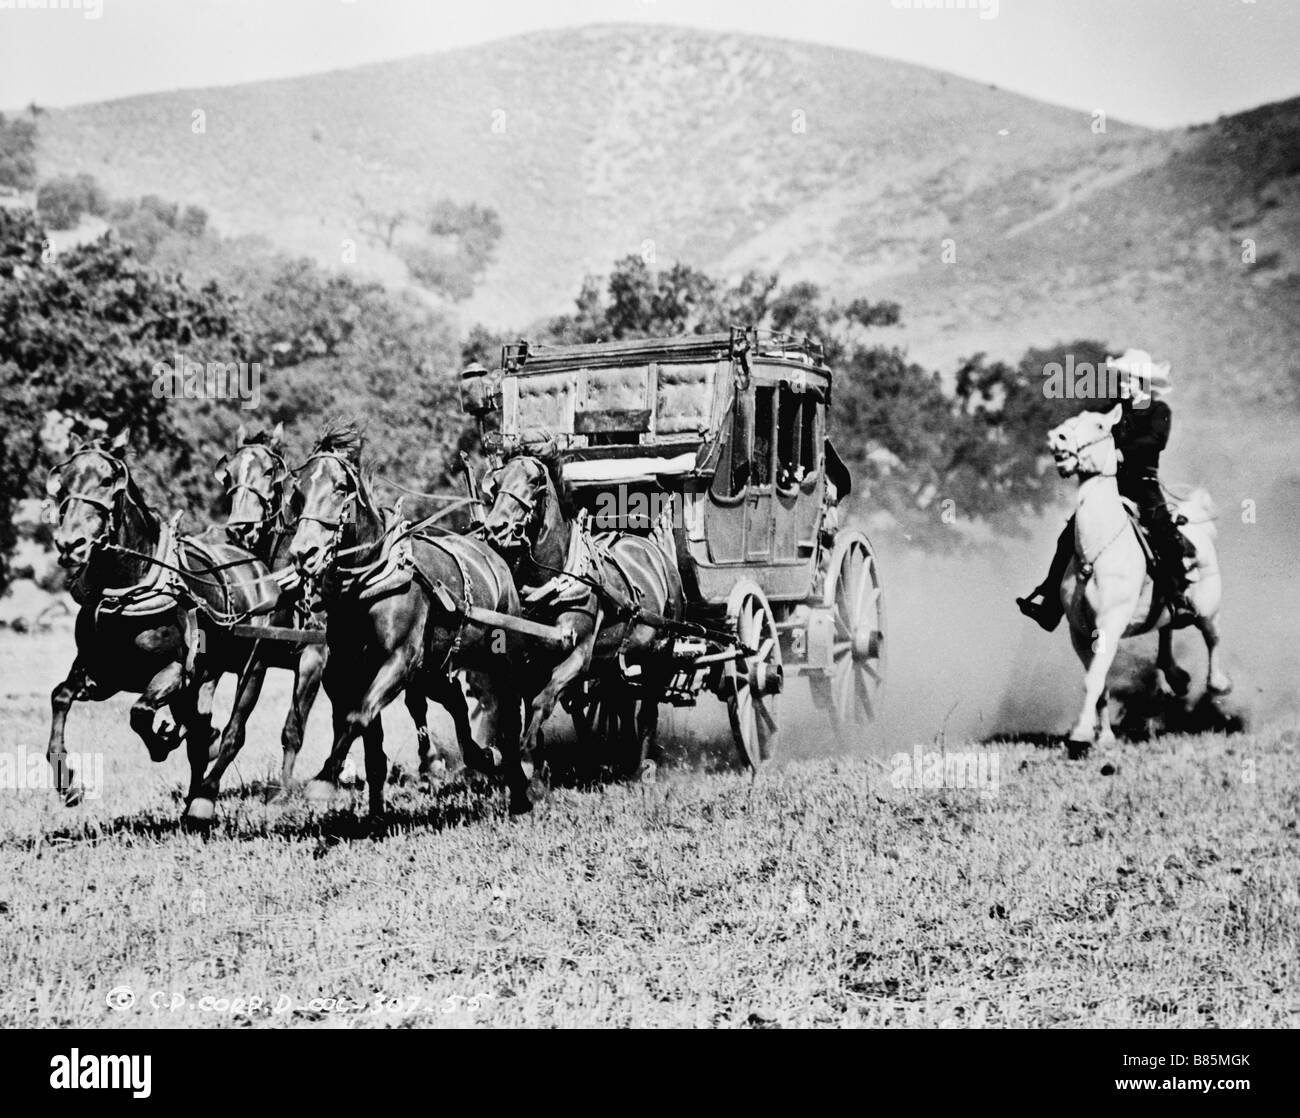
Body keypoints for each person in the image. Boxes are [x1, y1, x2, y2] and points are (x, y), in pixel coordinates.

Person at [1017, 349, 1196, 631]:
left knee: (1163, 529)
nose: (1123, 385)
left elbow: (1155, 442)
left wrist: (1121, 453)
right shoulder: (1115, 410)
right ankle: (1050, 601)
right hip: (1111, 486)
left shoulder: (1159, 411)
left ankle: (1178, 598)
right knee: (1070, 535)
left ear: (1143, 382)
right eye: (1122, 380)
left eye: (1128, 380)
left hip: (1144, 485)